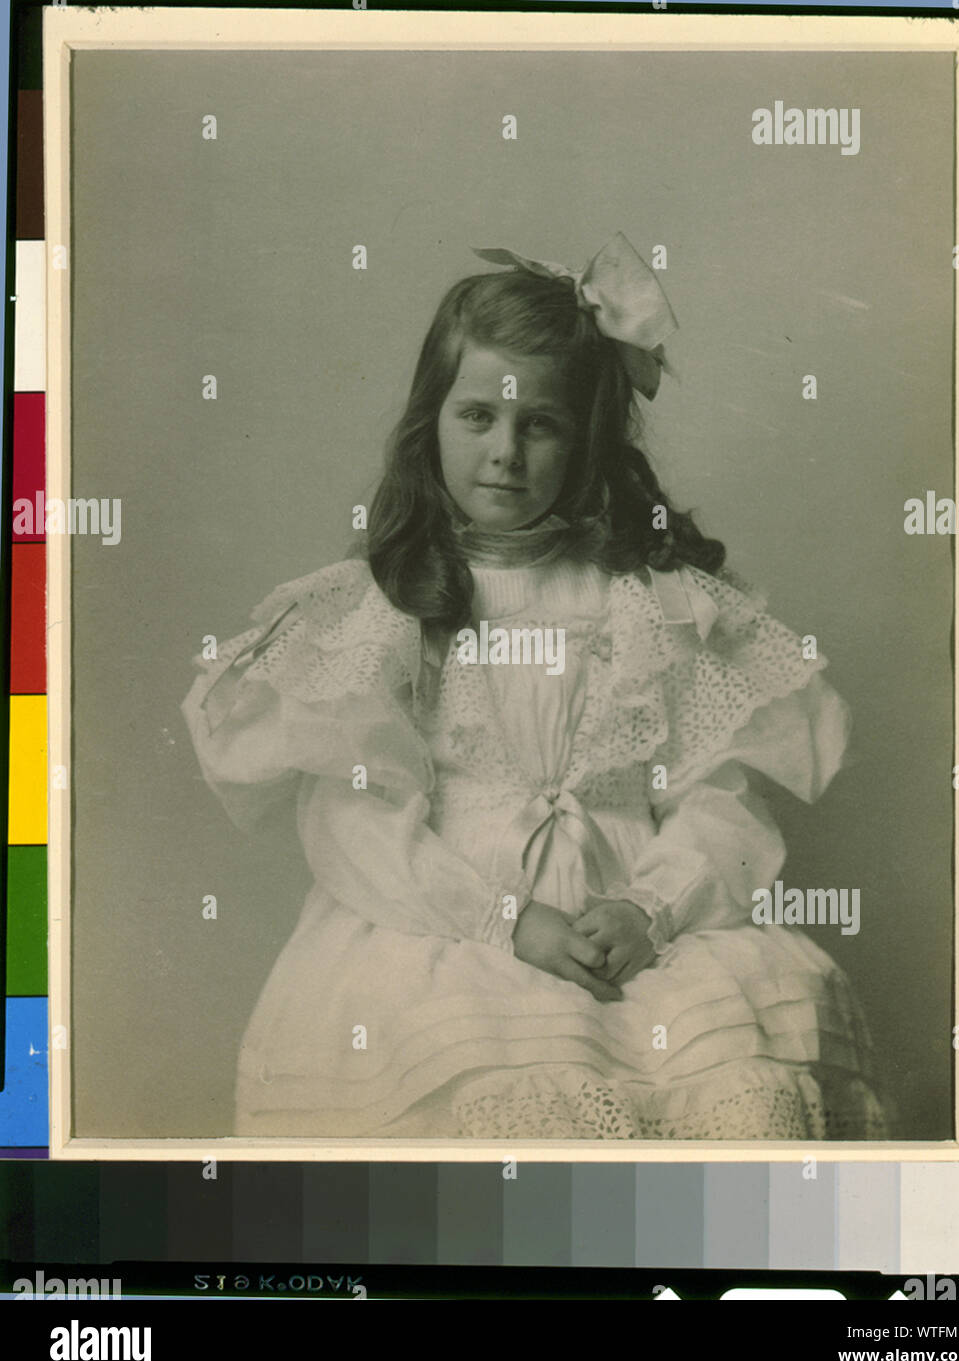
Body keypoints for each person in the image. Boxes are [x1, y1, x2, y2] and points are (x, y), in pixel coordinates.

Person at [182, 233, 889, 1140]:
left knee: (746, 1057)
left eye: (539, 424)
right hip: (445, 929)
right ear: (430, 421)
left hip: (639, 934)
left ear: (586, 436)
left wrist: (648, 909)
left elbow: (721, 803)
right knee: (500, 1101)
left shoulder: (657, 602)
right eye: (477, 416)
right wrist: (503, 921)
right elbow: (351, 822)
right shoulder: (384, 606)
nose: (505, 452)